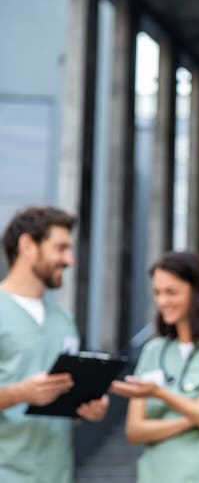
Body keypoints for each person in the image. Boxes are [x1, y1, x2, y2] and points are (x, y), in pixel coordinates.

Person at [110, 250, 199, 483]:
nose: (162, 301)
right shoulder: (153, 350)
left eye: (171, 292)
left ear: (197, 292)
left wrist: (159, 395)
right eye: (157, 293)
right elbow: (135, 431)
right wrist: (196, 413)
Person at [0, 206, 109, 482]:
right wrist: (20, 393)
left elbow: (63, 403)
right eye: (60, 248)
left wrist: (85, 408)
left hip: (57, 474)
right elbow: (24, 395)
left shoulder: (64, 320)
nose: (70, 260)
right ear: (28, 246)